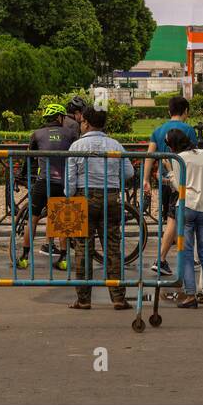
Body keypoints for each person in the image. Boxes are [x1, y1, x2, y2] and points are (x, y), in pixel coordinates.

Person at [65, 107, 132, 310]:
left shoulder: (77, 145)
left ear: (85, 122)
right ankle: (118, 297)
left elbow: (70, 179)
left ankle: (84, 299)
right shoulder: (115, 145)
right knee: (112, 246)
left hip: (84, 197)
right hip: (111, 197)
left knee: (83, 248)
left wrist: (70, 196)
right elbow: (128, 172)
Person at [16, 103, 79, 269]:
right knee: (62, 221)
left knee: (33, 219)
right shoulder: (71, 133)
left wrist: (21, 176)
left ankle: (24, 257)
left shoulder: (36, 134)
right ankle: (64, 259)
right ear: (59, 117)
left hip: (43, 182)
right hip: (63, 183)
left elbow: (29, 158)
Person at [142, 95, 197, 278]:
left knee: (170, 219)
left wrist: (146, 179)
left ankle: (177, 254)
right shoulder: (189, 130)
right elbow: (193, 157)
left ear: (169, 111)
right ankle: (163, 259)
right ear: (186, 111)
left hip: (163, 180)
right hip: (180, 182)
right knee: (176, 221)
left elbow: (150, 155)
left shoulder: (158, 130)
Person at [164, 128, 203, 309]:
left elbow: (177, 185)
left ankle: (190, 294)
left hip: (186, 206)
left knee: (186, 253)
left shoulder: (179, 159)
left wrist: (170, 172)